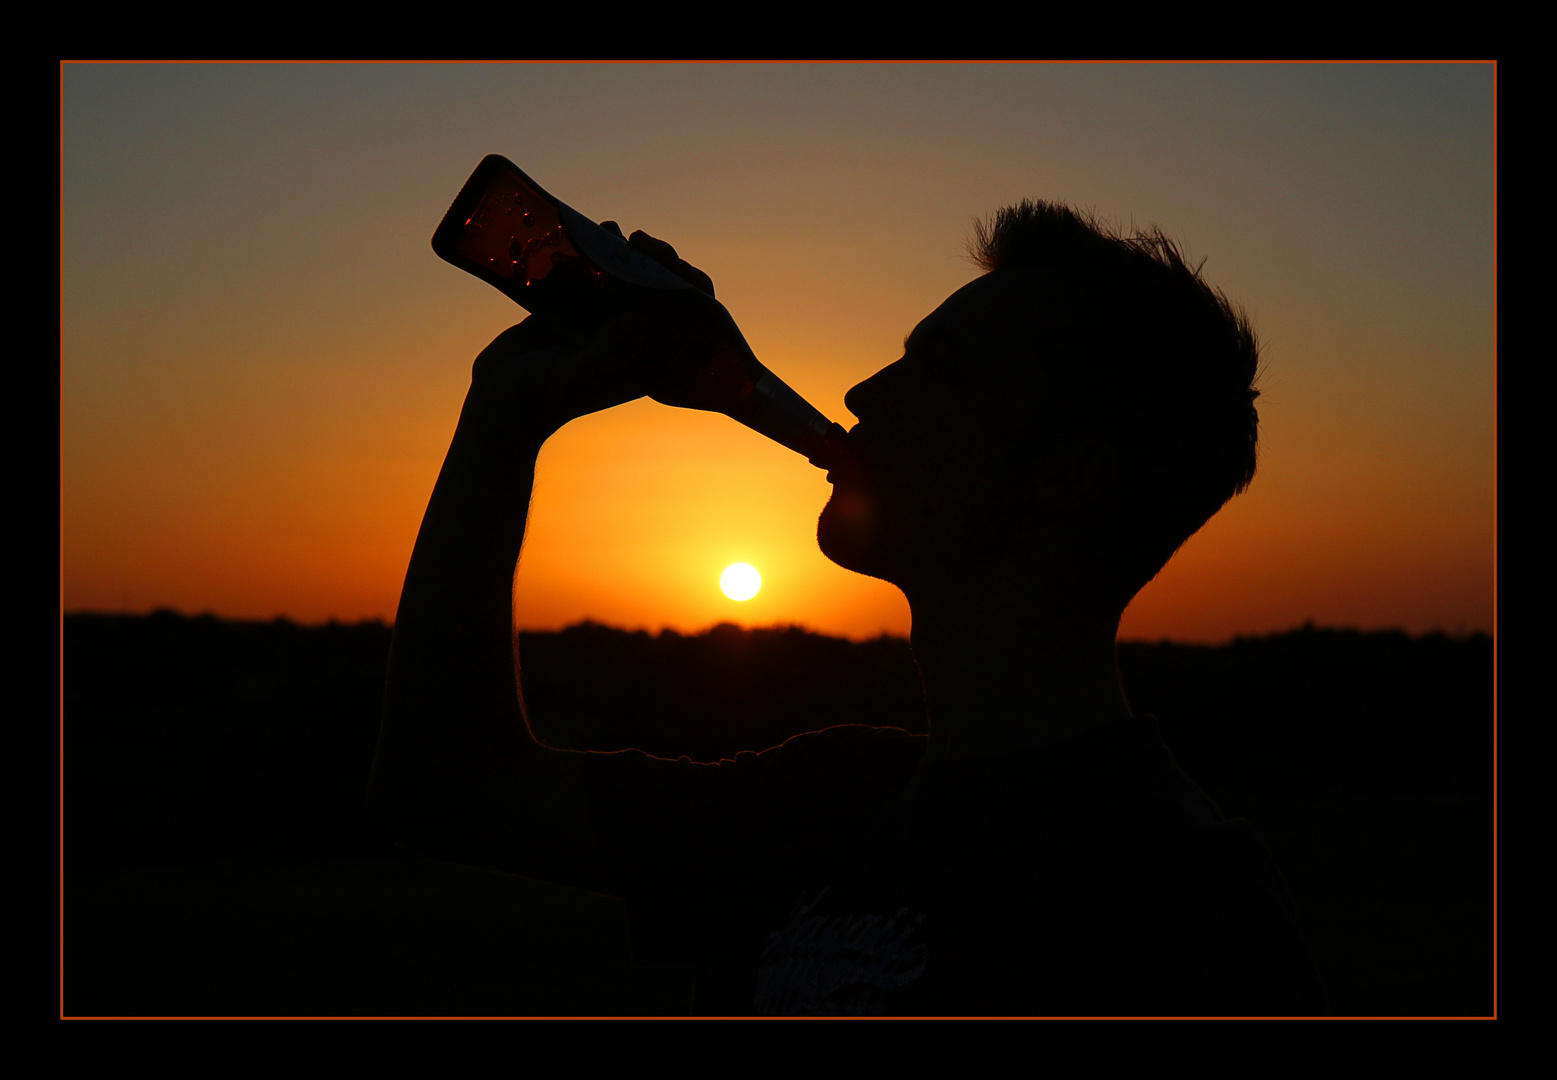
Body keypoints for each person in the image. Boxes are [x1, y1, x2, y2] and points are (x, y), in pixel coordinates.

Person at [367, 200, 1327, 1016]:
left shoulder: (1178, 899)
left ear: (1069, 476)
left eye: (938, 368)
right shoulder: (823, 804)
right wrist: (504, 413)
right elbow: (446, 789)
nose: (865, 391)